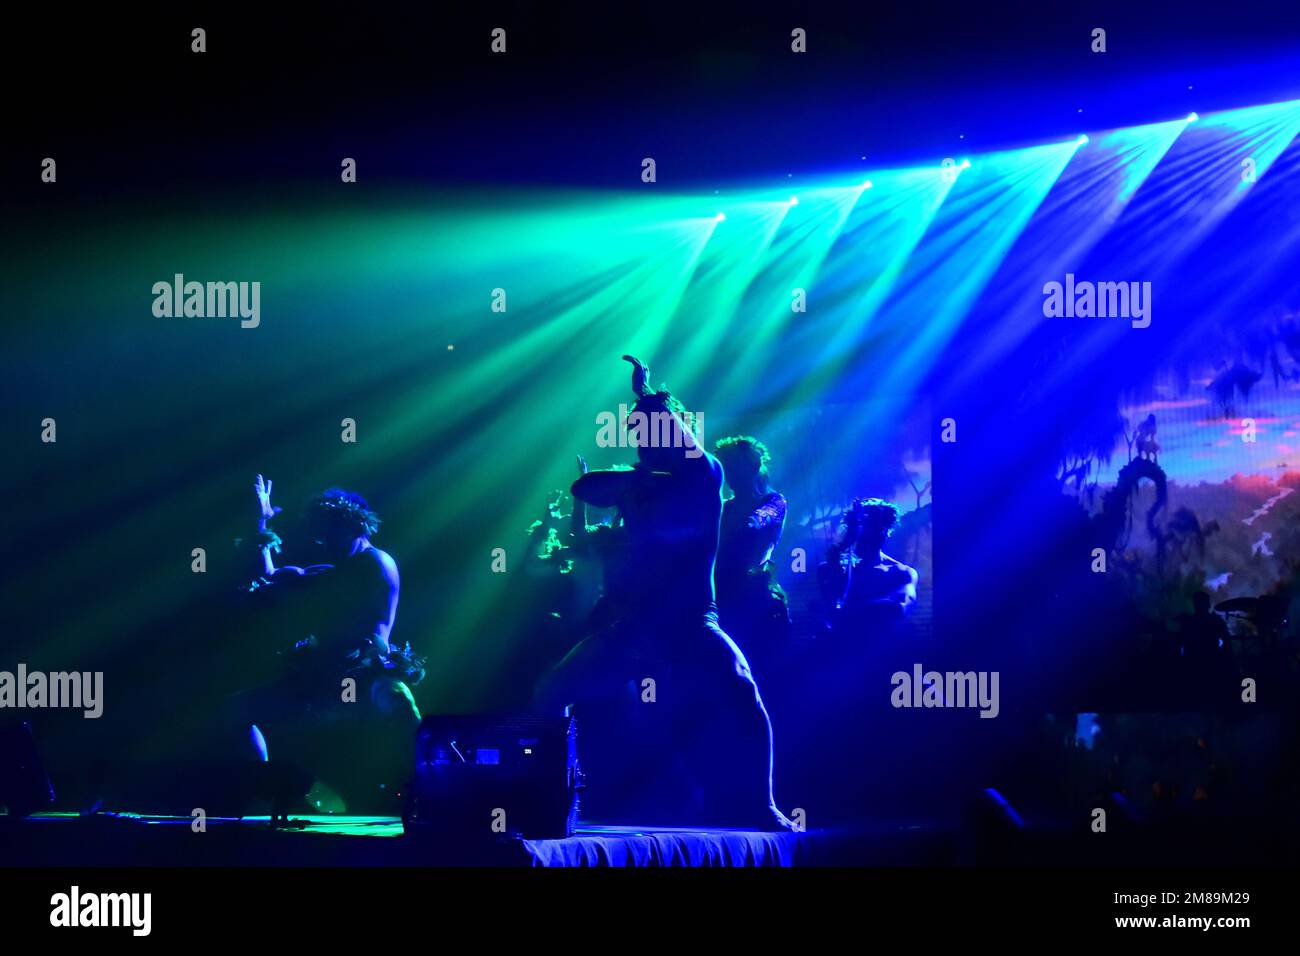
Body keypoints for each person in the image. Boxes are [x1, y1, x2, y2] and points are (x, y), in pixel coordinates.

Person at [539, 357, 790, 829]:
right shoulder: (640, 485)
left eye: (651, 431)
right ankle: (554, 799)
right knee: (552, 691)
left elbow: (668, 458)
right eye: (637, 433)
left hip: (694, 620)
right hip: (635, 623)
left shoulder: (706, 476)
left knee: (742, 692)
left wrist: (649, 397)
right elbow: (585, 486)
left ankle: (763, 805)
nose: (642, 440)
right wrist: (638, 478)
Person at [232, 476, 422, 813]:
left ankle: (438, 786)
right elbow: (275, 578)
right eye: (321, 535)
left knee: (398, 702)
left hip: (364, 672)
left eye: (330, 534)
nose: (324, 542)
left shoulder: (377, 562)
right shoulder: (333, 568)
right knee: (239, 710)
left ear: (354, 527)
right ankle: (266, 786)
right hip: (326, 675)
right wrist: (262, 522)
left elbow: (372, 633)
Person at [713, 435, 790, 681]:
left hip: (758, 599)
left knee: (763, 674)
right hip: (722, 597)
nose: (729, 472)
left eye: (734, 465)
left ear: (754, 466)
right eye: (725, 465)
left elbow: (758, 520)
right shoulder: (722, 506)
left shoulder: (774, 501)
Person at [818, 497, 917, 640]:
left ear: (887, 531)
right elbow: (831, 598)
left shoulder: (901, 572)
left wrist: (849, 615)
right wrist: (846, 542)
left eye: (880, 527)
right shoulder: (829, 568)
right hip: (840, 653)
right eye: (870, 526)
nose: (877, 533)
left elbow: (900, 607)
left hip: (881, 654)